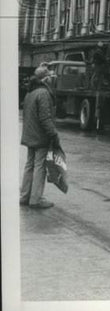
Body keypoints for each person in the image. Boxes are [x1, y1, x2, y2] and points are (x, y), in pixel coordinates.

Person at [20, 65, 61, 209]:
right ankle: (36, 199)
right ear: (45, 78)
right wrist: (53, 134)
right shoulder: (43, 93)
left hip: (30, 134)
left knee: (29, 165)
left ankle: (25, 196)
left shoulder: (30, 92)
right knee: (40, 167)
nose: (51, 79)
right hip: (40, 136)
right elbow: (45, 118)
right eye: (49, 76)